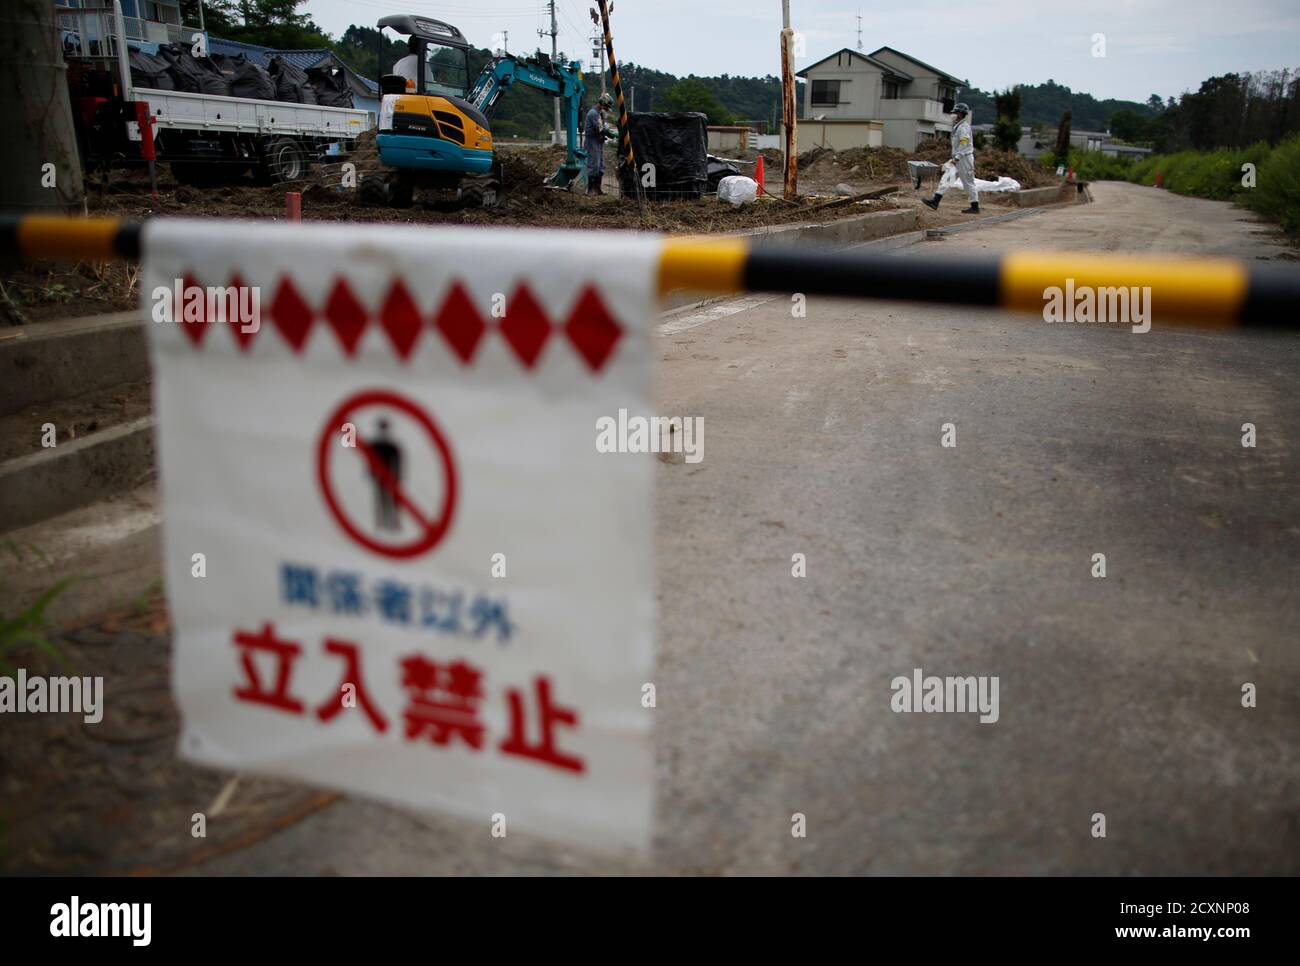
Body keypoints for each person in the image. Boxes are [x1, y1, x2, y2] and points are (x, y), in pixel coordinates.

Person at [922, 102, 980, 214]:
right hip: (958, 158)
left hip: (964, 159)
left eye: (955, 112)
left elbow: (964, 144)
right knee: (947, 178)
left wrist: (957, 158)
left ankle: (975, 206)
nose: (953, 114)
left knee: (968, 182)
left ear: (960, 114)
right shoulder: (957, 126)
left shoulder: (963, 128)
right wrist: (954, 158)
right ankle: (935, 200)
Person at [584, 92, 614, 195]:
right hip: (592, 141)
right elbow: (600, 128)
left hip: (598, 141)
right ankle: (590, 189)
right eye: (606, 106)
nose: (606, 109)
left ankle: (597, 188)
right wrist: (610, 134)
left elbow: (603, 127)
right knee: (594, 165)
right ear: (603, 103)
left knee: (601, 166)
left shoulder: (601, 113)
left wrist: (607, 133)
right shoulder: (593, 113)